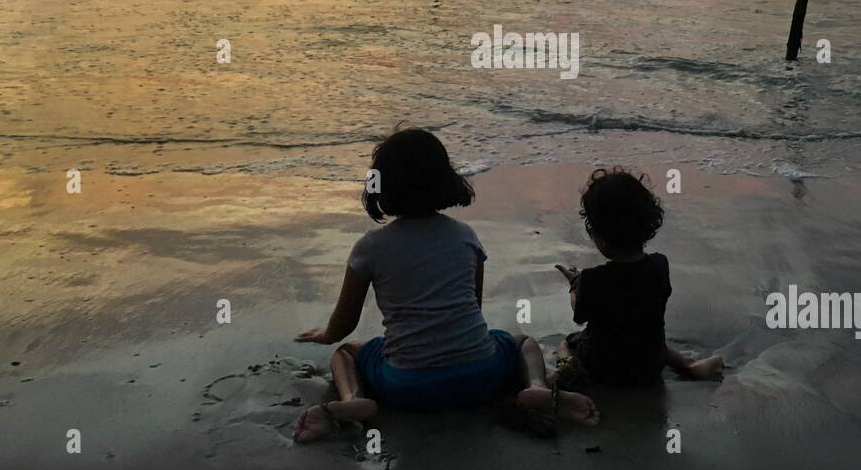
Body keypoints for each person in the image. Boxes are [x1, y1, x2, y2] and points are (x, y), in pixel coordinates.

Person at [294, 127, 598, 441]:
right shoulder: (465, 237)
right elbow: (473, 306)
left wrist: (326, 334)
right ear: (445, 179)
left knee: (346, 353)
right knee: (523, 342)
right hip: (482, 378)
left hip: (406, 388)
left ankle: (353, 400)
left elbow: (344, 324)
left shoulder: (369, 247)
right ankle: (537, 387)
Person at [555, 168, 723, 388]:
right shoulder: (660, 265)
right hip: (650, 364)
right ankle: (690, 365)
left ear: (599, 236)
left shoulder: (592, 280)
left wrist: (574, 285)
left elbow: (579, 314)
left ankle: (568, 367)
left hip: (602, 367)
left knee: (566, 344)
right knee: (650, 339)